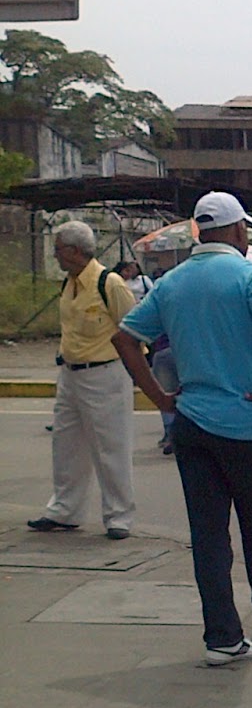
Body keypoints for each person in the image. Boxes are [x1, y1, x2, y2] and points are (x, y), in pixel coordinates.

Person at [112, 192, 252, 665]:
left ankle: (222, 637)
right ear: (238, 231)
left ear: (199, 231)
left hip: (192, 423)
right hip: (247, 424)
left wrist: (159, 397)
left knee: (209, 533)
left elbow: (125, 338)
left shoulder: (172, 283)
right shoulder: (248, 276)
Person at [28, 220, 138, 540]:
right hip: (71, 374)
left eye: (59, 249)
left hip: (104, 373)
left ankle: (119, 516)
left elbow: (132, 330)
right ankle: (65, 509)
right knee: (66, 445)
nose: (56, 256)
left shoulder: (109, 283)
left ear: (76, 251)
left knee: (110, 448)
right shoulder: (70, 282)